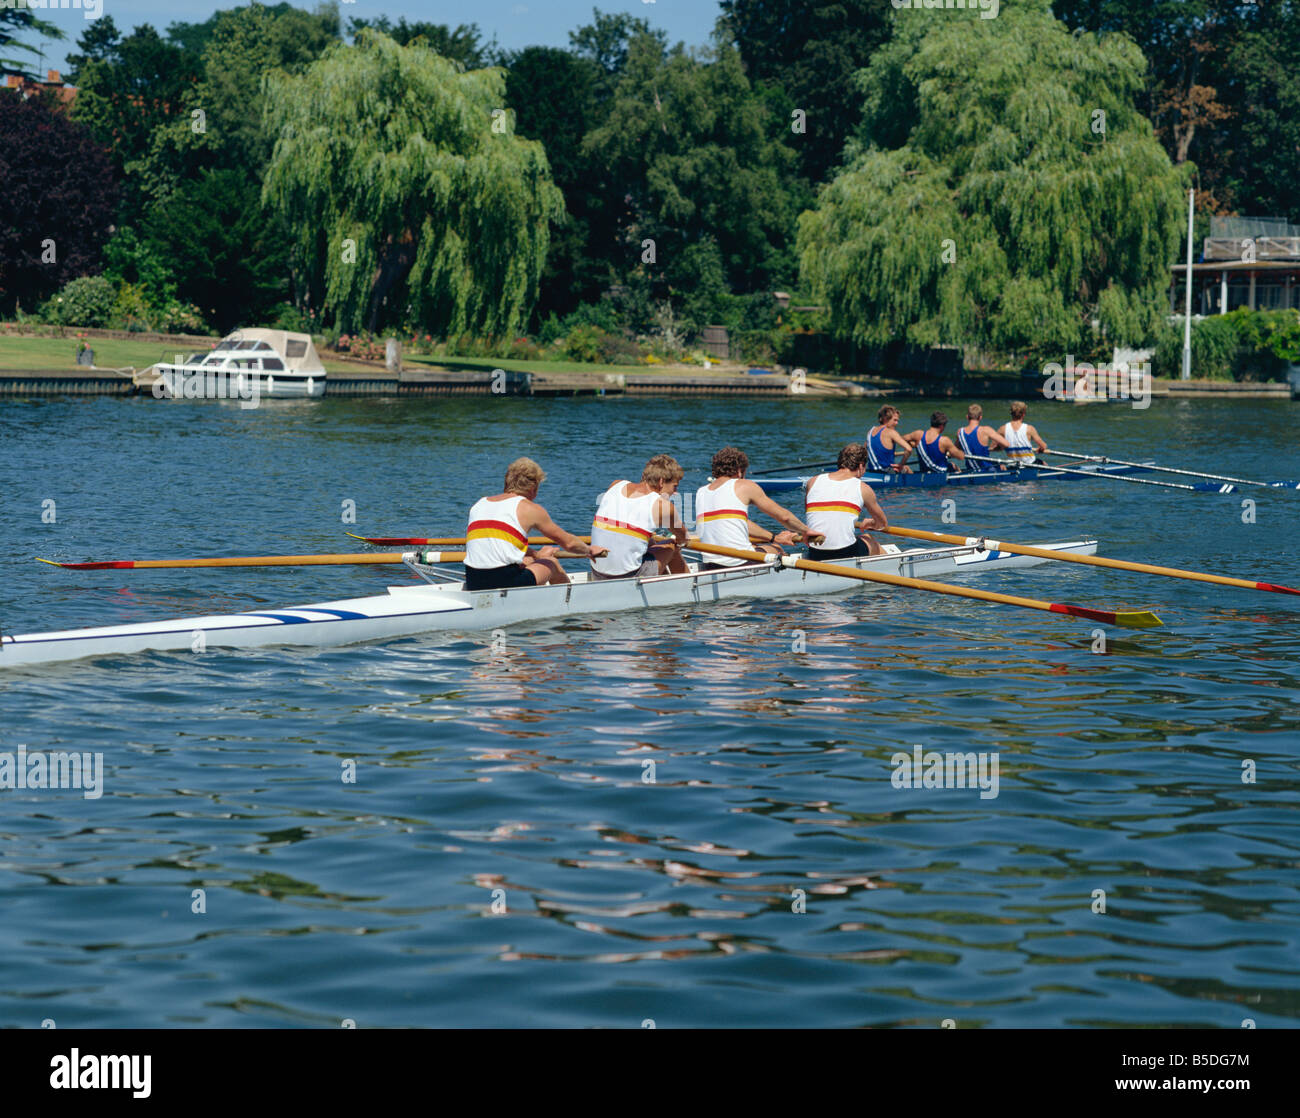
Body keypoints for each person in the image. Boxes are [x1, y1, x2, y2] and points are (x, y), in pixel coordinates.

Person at [464, 458, 606, 590]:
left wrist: (536, 554)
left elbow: (495, 543)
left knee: (526, 559)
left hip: (473, 580)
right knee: (552, 564)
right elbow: (568, 543)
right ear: (533, 488)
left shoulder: (480, 504)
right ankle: (571, 604)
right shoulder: (529, 509)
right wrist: (589, 551)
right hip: (504, 581)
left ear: (507, 482)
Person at [695, 447, 824, 570]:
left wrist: (774, 537)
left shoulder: (701, 492)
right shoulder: (744, 485)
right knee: (776, 549)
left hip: (710, 565)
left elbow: (741, 523)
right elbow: (784, 517)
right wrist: (806, 531)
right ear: (740, 471)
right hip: (740, 563)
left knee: (757, 546)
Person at [590, 454, 688, 580]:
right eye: (675, 486)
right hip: (630, 576)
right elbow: (683, 537)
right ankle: (687, 586)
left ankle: (659, 585)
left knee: (649, 543)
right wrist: (680, 541)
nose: (675, 492)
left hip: (597, 572)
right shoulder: (662, 505)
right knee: (672, 545)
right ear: (661, 481)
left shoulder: (616, 485)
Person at [803, 443, 890, 558]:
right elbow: (882, 524)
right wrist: (871, 523)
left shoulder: (812, 482)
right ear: (861, 466)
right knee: (869, 539)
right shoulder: (864, 488)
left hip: (815, 552)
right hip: (845, 553)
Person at [957, 404, 1010, 471]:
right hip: (986, 469)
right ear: (980, 417)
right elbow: (1006, 444)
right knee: (1002, 466)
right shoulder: (985, 430)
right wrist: (994, 449)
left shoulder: (960, 432)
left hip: (971, 469)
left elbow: (955, 450)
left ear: (967, 417)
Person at [865, 405, 913, 473]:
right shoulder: (891, 432)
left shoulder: (870, 432)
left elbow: (866, 452)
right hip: (887, 472)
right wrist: (900, 465)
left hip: (872, 471)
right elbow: (909, 449)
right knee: (907, 468)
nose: (897, 423)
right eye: (895, 420)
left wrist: (903, 453)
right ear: (886, 419)